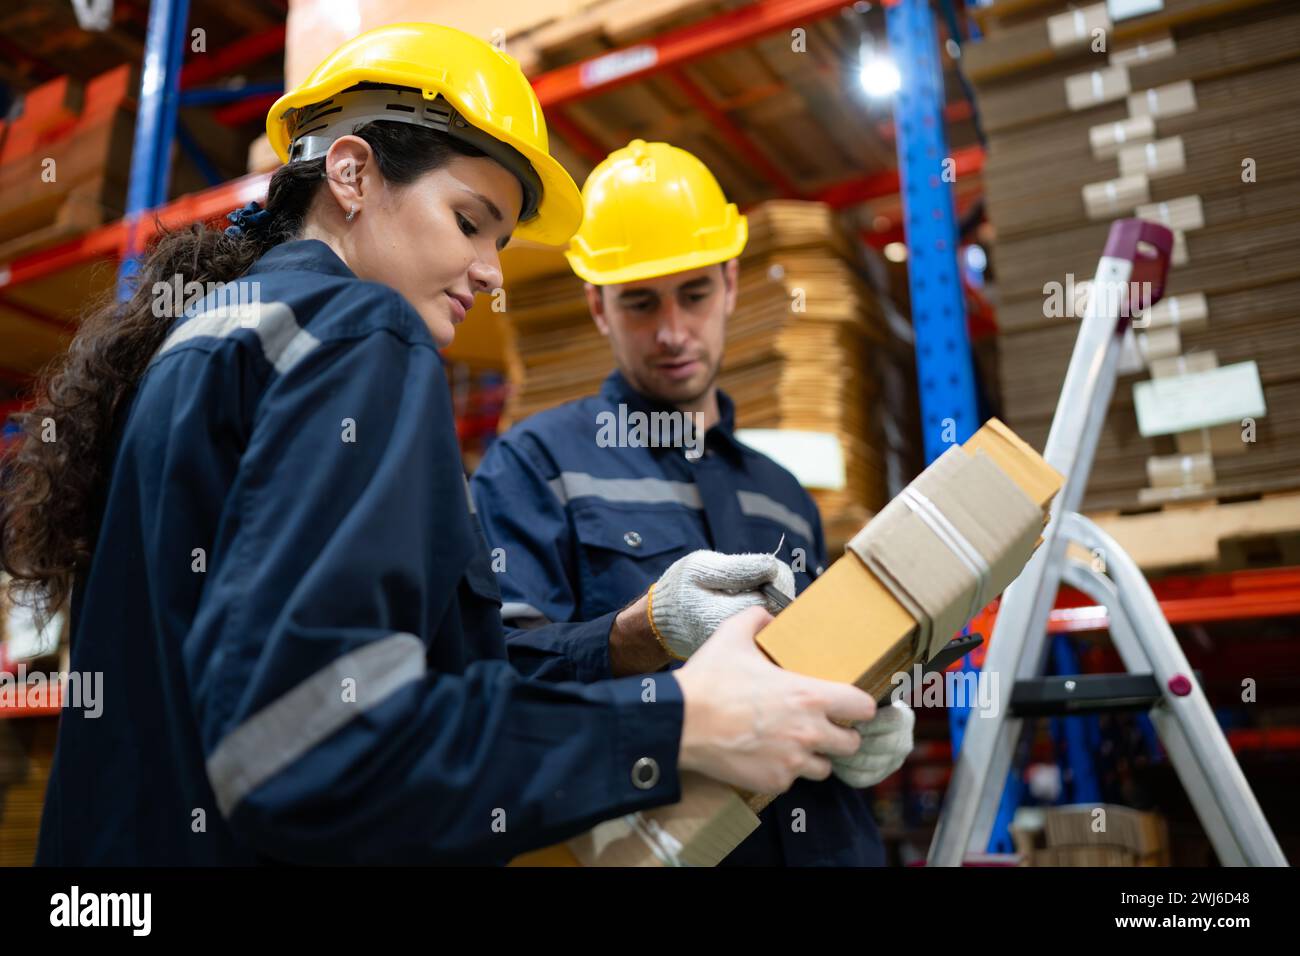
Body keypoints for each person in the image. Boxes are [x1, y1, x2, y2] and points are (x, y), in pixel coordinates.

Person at [0, 25, 877, 865]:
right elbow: (312, 743)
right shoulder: (358, 331)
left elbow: (396, 670)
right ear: (351, 173)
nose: (494, 269)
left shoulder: (206, 340)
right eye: (470, 221)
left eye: (499, 237)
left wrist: (635, 635)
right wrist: (684, 722)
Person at [472, 140, 915, 866]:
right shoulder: (535, 464)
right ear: (597, 306)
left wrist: (868, 714)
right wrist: (641, 632)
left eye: (695, 293)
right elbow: (500, 680)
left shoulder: (785, 496)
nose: (673, 331)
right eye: (641, 302)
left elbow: (822, 659)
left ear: (733, 284)